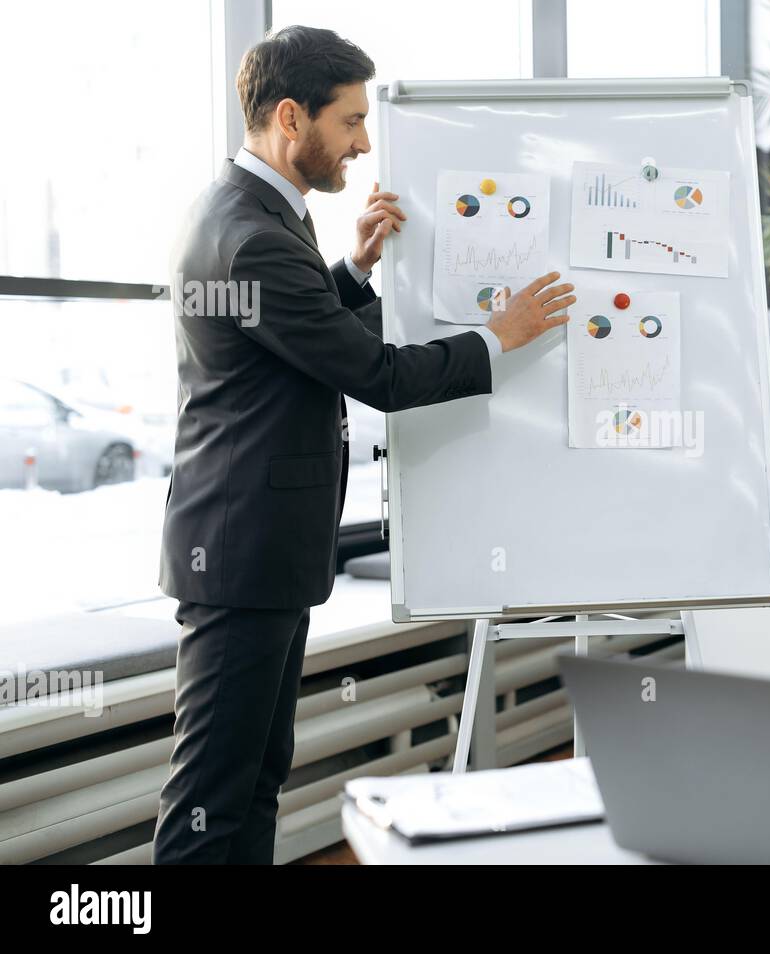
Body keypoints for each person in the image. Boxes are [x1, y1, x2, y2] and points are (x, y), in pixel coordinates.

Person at [153, 25, 574, 864]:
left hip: (252, 550)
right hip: (241, 556)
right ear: (290, 118)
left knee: (252, 779)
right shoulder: (258, 236)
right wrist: (499, 336)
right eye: (349, 122)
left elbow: (295, 332)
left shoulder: (252, 213)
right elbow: (376, 375)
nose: (363, 142)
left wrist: (351, 270)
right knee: (213, 797)